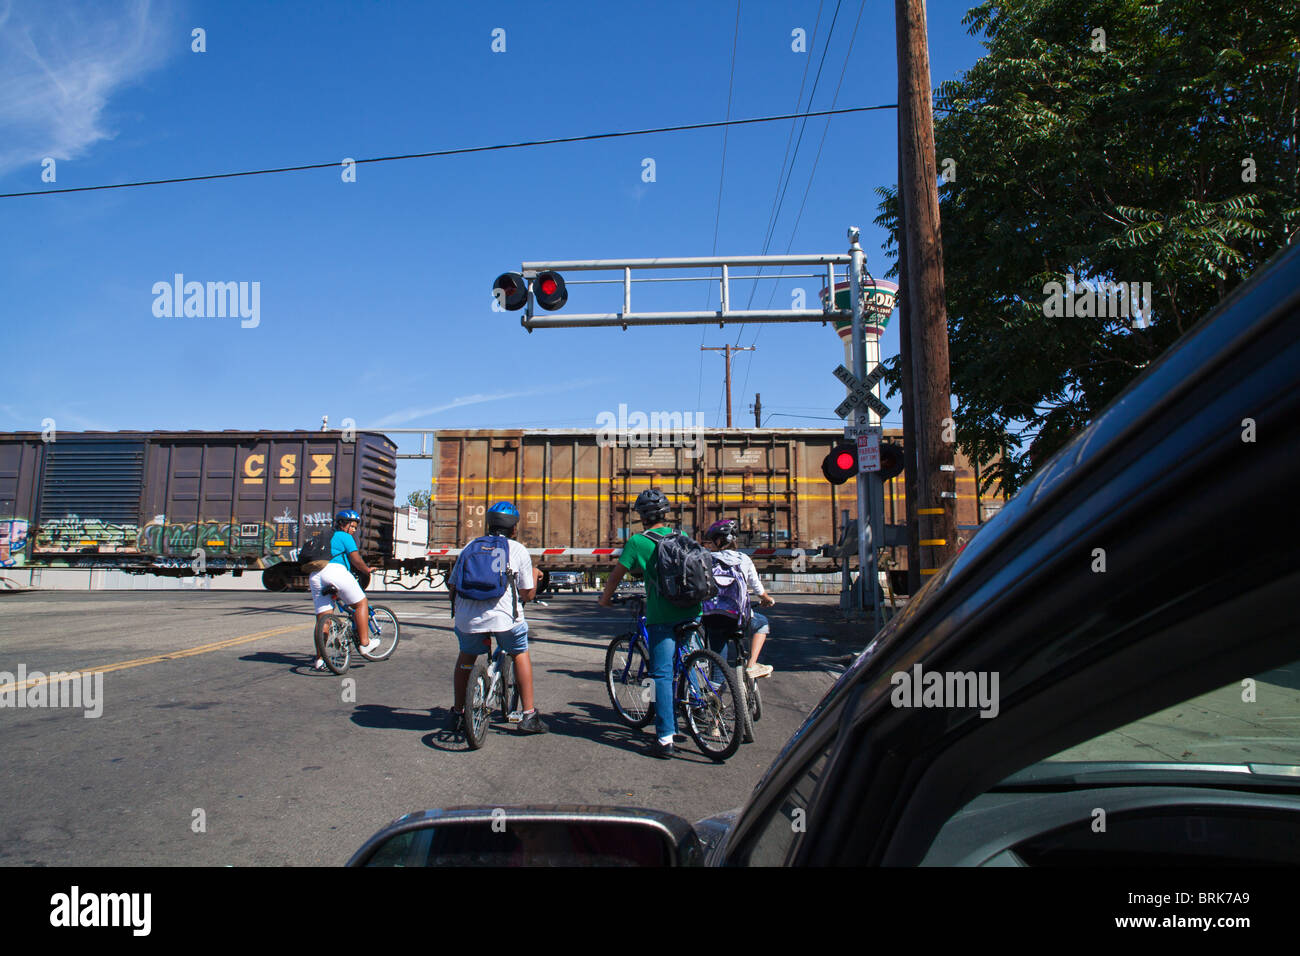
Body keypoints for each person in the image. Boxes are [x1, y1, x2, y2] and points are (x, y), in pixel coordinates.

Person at [597, 489, 702, 759]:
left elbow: (615, 577)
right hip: (693, 610)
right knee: (693, 659)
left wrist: (606, 599)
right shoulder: (683, 536)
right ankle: (702, 708)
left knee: (662, 676)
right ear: (665, 513)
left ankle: (665, 737)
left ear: (641, 516)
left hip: (662, 616)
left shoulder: (637, 542)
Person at [446, 501, 548, 735]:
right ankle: (529, 715)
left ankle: (458, 712)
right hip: (505, 619)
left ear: (489, 524)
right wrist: (534, 575)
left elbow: (452, 586)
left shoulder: (470, 546)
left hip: (467, 619)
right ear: (514, 528)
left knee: (467, 657)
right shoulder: (518, 550)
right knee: (519, 652)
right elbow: (527, 594)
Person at [701, 518, 776, 679]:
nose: (710, 545)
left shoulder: (706, 559)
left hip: (712, 618)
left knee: (719, 666)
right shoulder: (743, 559)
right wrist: (767, 599)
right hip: (738, 619)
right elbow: (758, 589)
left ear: (720, 541)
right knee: (761, 624)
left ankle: (715, 699)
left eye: (712, 541)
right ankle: (751, 665)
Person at [309, 509, 381, 669]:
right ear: (343, 524)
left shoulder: (322, 535)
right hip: (335, 572)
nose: (354, 530)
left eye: (355, 527)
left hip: (315, 575)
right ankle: (365, 643)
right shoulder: (344, 537)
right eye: (352, 526)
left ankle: (320, 659)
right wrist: (367, 570)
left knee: (323, 619)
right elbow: (355, 559)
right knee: (361, 603)